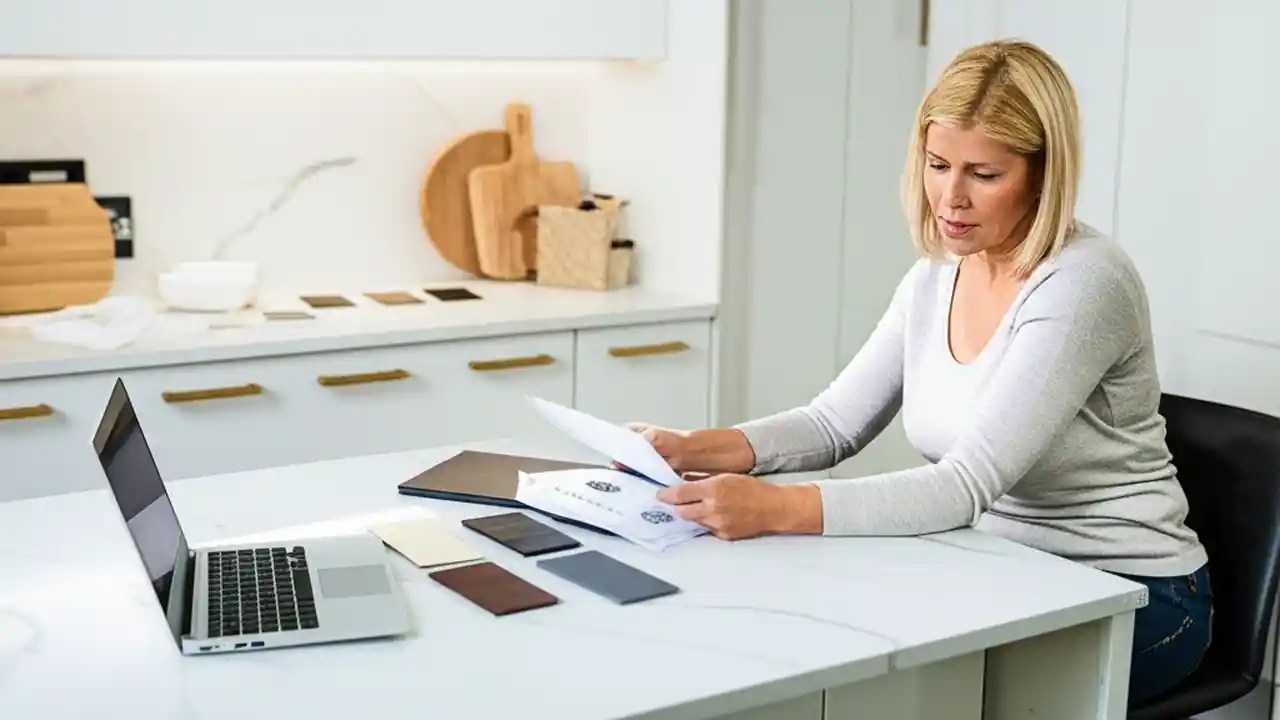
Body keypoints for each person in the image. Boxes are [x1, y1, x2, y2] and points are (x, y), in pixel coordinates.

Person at [628, 39, 1212, 704]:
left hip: (1132, 595)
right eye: (938, 164)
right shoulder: (937, 276)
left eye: (984, 175)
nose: (951, 198)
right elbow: (832, 424)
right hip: (994, 568)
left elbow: (964, 485)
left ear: (1044, 175)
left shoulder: (1083, 283)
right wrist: (685, 449)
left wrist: (775, 507)